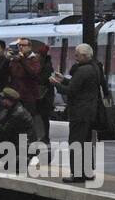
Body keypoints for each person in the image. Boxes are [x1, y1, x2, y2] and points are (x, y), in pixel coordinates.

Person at [52, 43, 101, 183]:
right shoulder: (94, 68)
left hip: (79, 112)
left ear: (85, 56)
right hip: (90, 111)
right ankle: (88, 173)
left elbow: (70, 91)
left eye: (77, 56)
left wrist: (55, 83)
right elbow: (79, 85)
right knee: (86, 143)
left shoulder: (82, 70)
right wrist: (64, 79)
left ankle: (78, 174)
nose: (75, 58)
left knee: (76, 142)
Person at [6, 38, 43, 141]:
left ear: (30, 47)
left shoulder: (34, 59)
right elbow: (10, 74)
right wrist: (8, 60)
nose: (21, 47)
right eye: (19, 45)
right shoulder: (16, 60)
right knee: (15, 121)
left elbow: (33, 74)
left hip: (29, 96)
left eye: (23, 45)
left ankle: (31, 143)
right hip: (16, 95)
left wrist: (22, 60)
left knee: (28, 121)